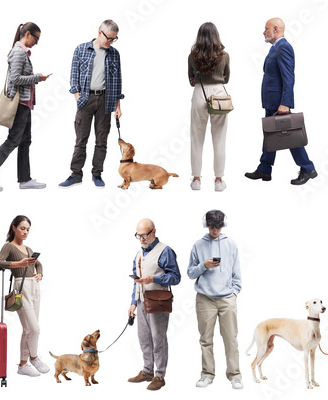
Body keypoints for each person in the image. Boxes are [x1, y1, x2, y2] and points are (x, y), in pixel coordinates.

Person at [245, 18, 318, 186]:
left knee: (290, 136)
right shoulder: (275, 48)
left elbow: (289, 77)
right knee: (270, 134)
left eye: (266, 29)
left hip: (279, 102)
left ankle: (308, 168)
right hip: (272, 101)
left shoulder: (283, 47)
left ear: (275, 29)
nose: (263, 32)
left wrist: (286, 102)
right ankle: (264, 168)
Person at [0, 23, 48, 192]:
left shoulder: (22, 52)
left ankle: (24, 179)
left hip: (25, 104)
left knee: (25, 140)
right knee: (13, 140)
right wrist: (36, 77)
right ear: (28, 34)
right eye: (36, 38)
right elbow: (15, 79)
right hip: (19, 104)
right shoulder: (18, 52)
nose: (37, 43)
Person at [60, 19, 124, 189]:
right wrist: (78, 98)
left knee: (101, 140)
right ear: (99, 32)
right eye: (109, 38)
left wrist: (118, 107)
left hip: (106, 100)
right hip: (85, 100)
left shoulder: (114, 54)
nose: (110, 42)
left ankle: (97, 174)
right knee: (81, 139)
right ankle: (76, 174)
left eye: (114, 39)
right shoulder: (81, 49)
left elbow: (117, 82)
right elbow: (74, 77)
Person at [187, 210, 241, 389]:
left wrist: (234, 292)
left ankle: (235, 375)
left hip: (227, 300)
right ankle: (207, 375)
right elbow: (190, 273)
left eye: (218, 227)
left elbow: (236, 272)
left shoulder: (231, 244)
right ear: (206, 225)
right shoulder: (197, 245)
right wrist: (204, 265)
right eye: (212, 227)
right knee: (205, 339)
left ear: (223, 225)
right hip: (205, 299)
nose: (215, 230)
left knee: (231, 339)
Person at [127, 218, 181, 391]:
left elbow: (176, 277)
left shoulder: (165, 251)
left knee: (158, 339)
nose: (142, 239)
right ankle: (147, 371)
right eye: (139, 235)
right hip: (142, 303)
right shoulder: (138, 254)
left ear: (154, 232)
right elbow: (136, 281)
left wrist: (154, 278)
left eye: (145, 235)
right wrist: (133, 303)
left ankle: (159, 375)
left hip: (158, 302)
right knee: (144, 339)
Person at [0, 215, 48, 376]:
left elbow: (38, 264)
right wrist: (18, 264)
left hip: (35, 288)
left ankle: (23, 366)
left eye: (28, 229)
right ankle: (34, 357)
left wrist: (40, 274)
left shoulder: (29, 249)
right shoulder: (9, 247)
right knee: (34, 329)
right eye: (22, 228)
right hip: (21, 288)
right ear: (14, 227)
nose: (25, 232)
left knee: (28, 329)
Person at [187, 22, 230, 192]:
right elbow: (226, 78)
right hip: (219, 94)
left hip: (200, 92)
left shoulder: (192, 56)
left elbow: (190, 79)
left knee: (196, 139)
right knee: (219, 139)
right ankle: (219, 181)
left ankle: (196, 179)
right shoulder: (224, 55)